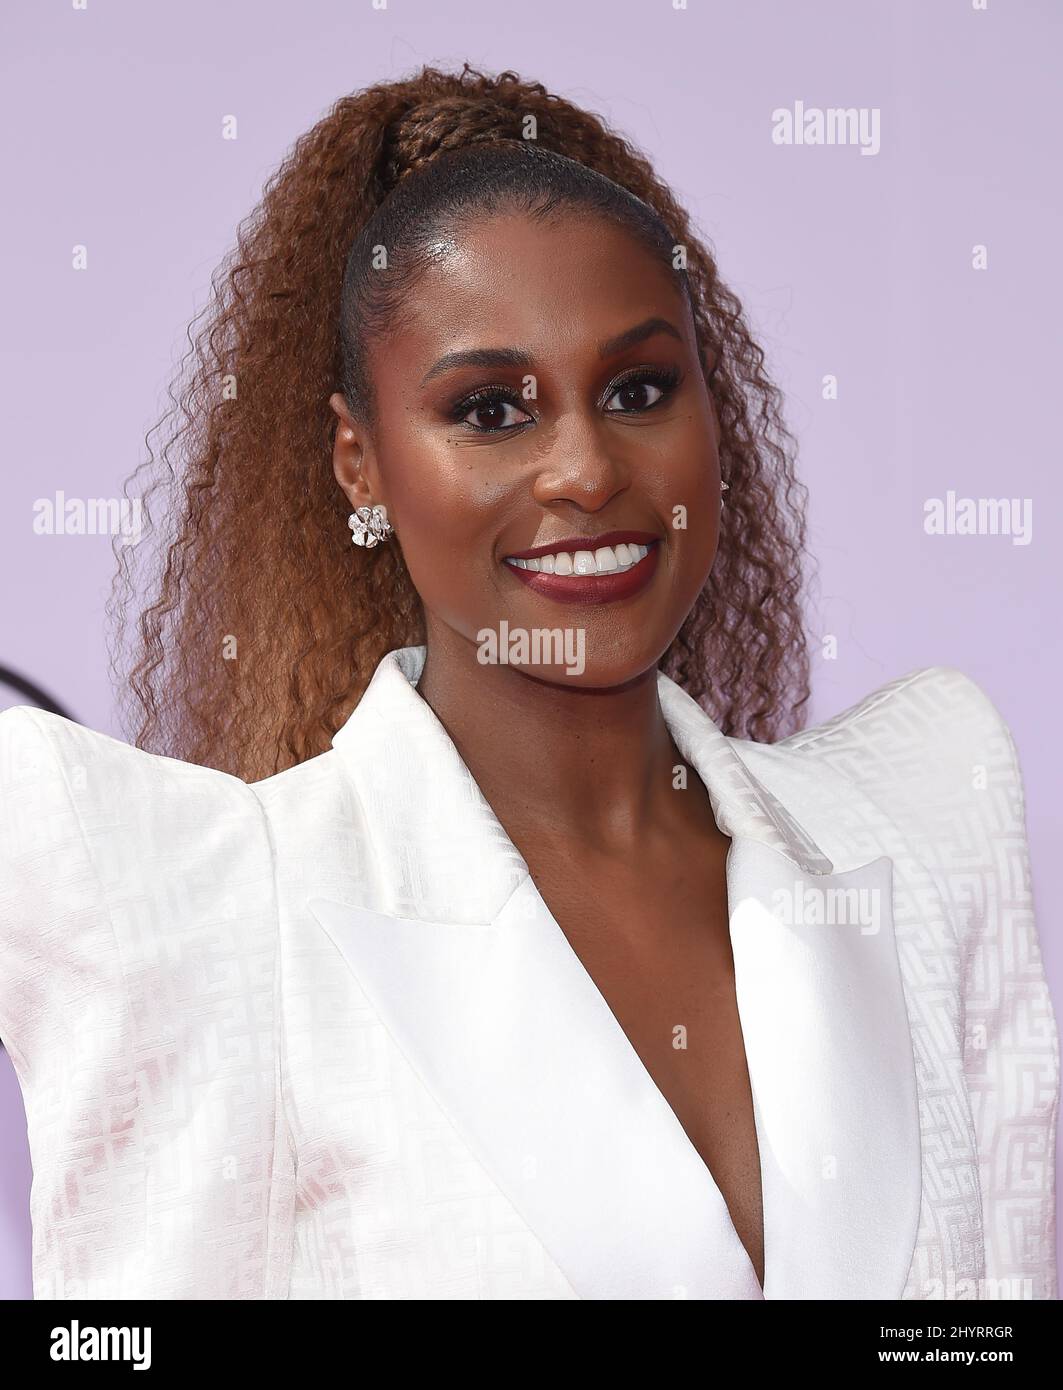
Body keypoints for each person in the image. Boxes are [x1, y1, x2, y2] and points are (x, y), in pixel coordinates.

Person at [0, 63, 1057, 1301]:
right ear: (363, 464)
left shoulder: (916, 836)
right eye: (492, 408)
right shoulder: (229, 922)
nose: (585, 468)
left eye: (638, 388)